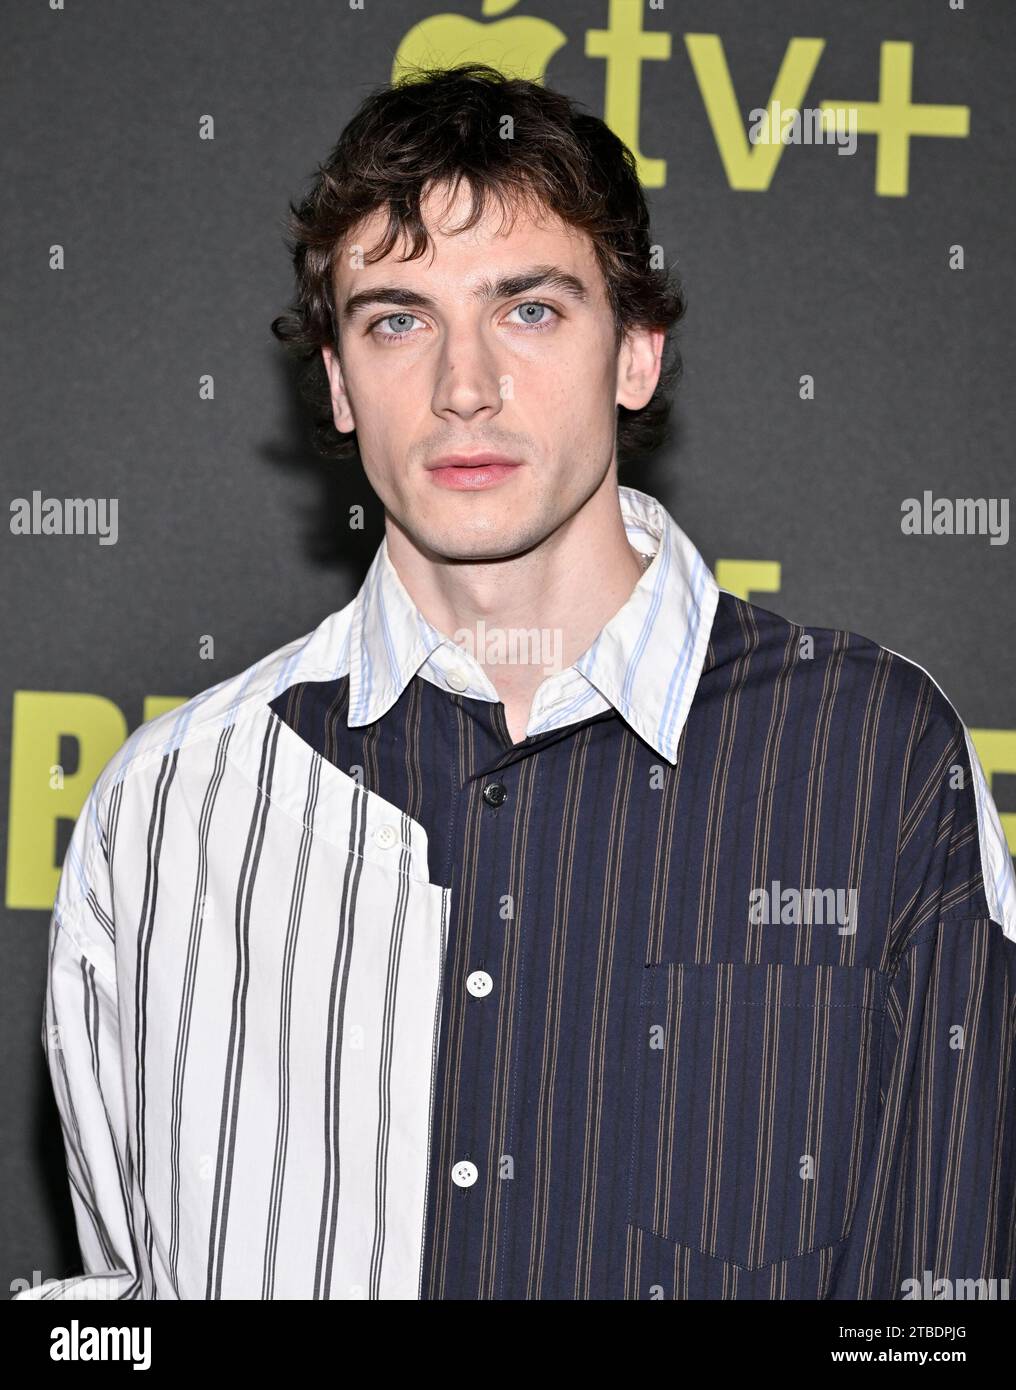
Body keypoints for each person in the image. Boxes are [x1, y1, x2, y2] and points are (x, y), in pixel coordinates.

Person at [16, 64, 1016, 1301]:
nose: (462, 385)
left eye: (529, 309)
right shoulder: (167, 815)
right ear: (335, 382)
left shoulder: (871, 759)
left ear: (636, 352)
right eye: (395, 319)